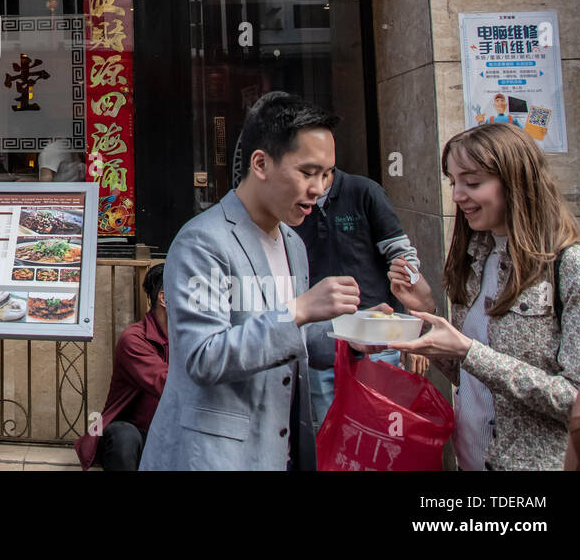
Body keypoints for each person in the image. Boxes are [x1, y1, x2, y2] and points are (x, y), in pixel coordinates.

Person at [139, 91, 361, 471]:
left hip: (277, 450)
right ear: (261, 163)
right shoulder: (203, 241)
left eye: (326, 175)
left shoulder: (292, 242)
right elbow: (203, 357)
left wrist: (352, 333)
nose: (320, 189)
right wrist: (299, 309)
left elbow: (294, 340)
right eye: (308, 172)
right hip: (213, 457)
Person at [388, 123, 580, 470]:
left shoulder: (573, 266)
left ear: (516, 183)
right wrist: (425, 315)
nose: (457, 196)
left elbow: (579, 400)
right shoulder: (475, 258)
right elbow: (470, 376)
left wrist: (471, 352)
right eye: (453, 182)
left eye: (472, 182)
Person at [297, 167, 422, 429]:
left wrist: (415, 331)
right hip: (321, 341)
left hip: (375, 342)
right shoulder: (292, 202)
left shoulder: (364, 192)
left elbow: (402, 258)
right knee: (329, 435)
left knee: (377, 434)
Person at [76, 262, 168, 470]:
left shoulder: (190, 339)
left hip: (174, 436)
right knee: (124, 437)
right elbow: (165, 381)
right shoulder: (134, 339)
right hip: (135, 434)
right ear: (164, 298)